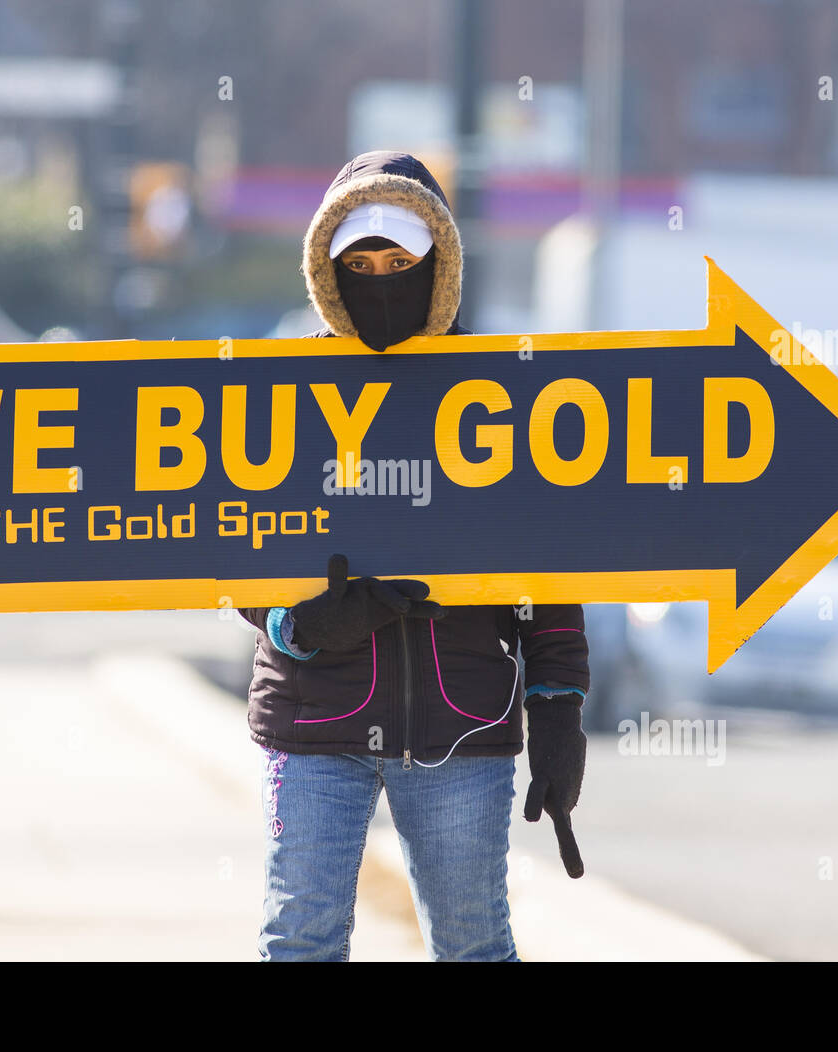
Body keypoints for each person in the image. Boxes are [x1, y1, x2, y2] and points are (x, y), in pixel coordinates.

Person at [238, 150, 590, 962]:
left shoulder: (504, 396)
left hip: (459, 726)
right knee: (298, 940)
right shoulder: (282, 388)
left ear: (442, 265)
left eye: (400, 262)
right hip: (314, 721)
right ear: (327, 274)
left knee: (472, 946)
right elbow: (234, 553)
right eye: (358, 264)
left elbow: (549, 574)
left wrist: (559, 706)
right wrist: (304, 625)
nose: (380, 280)